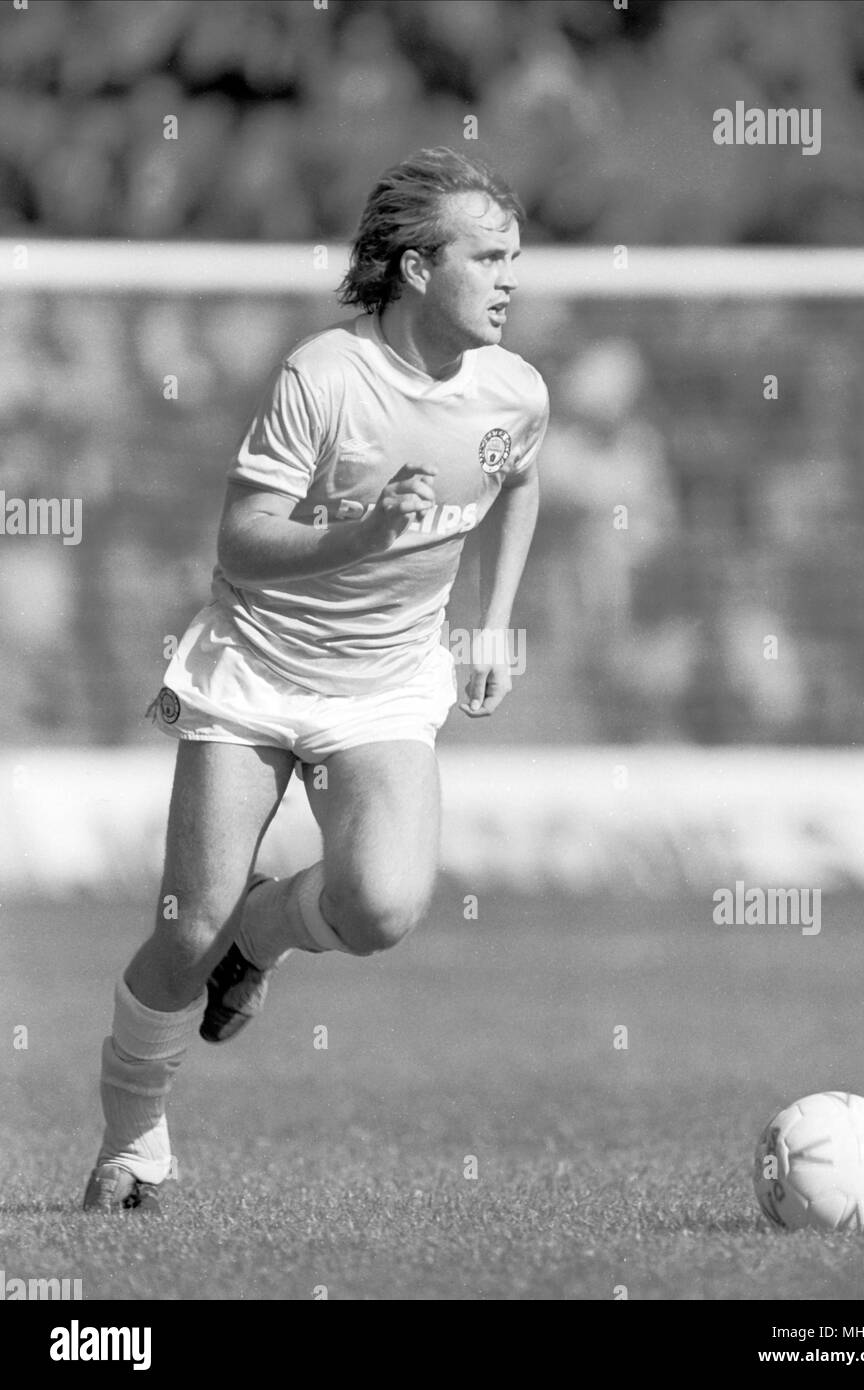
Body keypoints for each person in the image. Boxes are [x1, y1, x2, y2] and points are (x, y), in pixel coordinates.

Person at [83, 147, 550, 1211]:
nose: (511, 279)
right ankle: (133, 1140)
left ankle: (265, 934)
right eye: (488, 257)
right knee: (184, 931)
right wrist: (366, 533)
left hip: (384, 684)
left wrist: (492, 624)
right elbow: (243, 544)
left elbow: (517, 475)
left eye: (516, 256)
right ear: (417, 269)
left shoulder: (514, 388)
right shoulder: (324, 376)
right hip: (256, 669)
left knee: (382, 906)